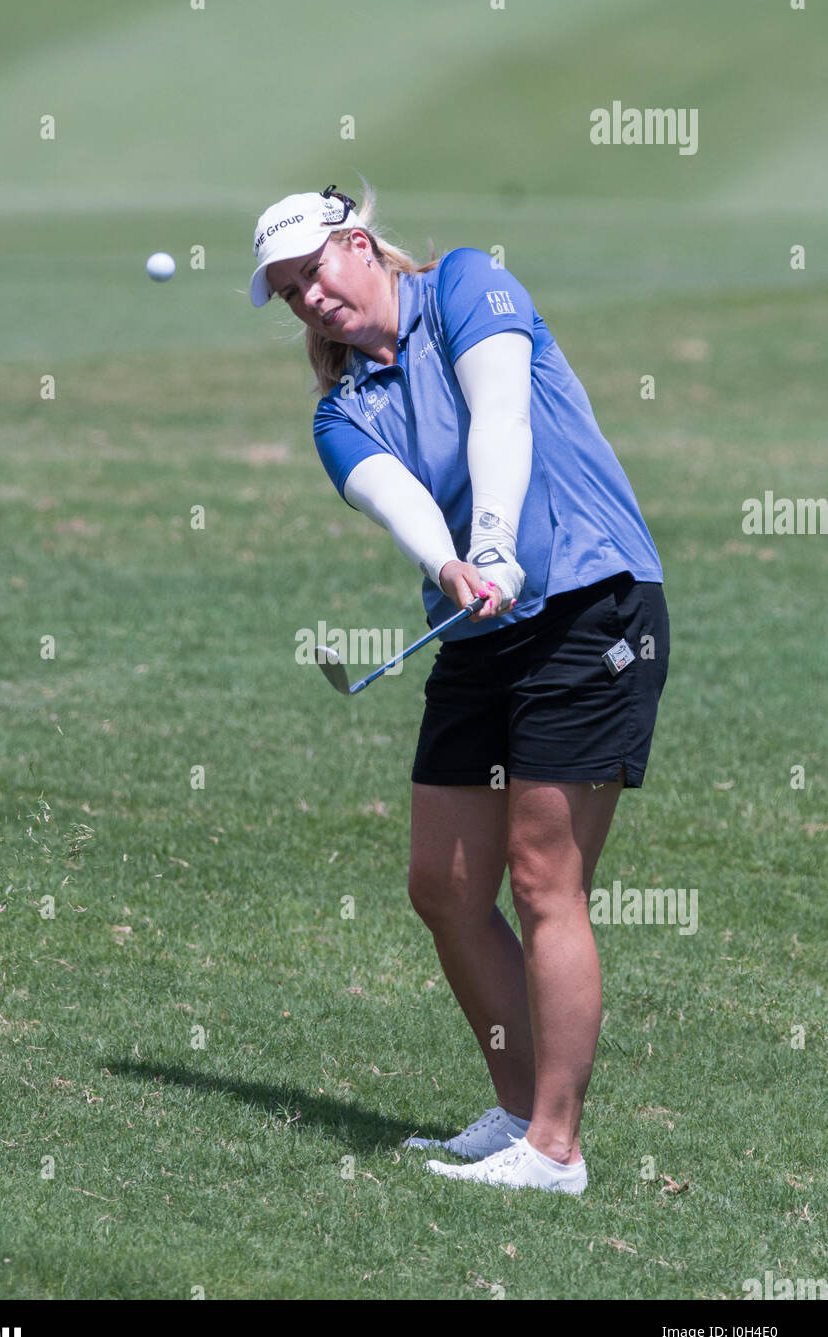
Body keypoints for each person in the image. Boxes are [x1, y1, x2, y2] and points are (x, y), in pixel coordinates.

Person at [249, 181, 669, 1194]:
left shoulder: (468, 284)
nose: (309, 298)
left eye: (313, 271)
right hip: (483, 624)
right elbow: (396, 499)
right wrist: (455, 567)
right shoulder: (341, 410)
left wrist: (494, 542)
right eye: (287, 292)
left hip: (590, 603)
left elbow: (501, 419)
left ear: (359, 244)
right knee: (442, 885)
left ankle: (556, 1152)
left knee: (541, 880)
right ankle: (518, 1107)